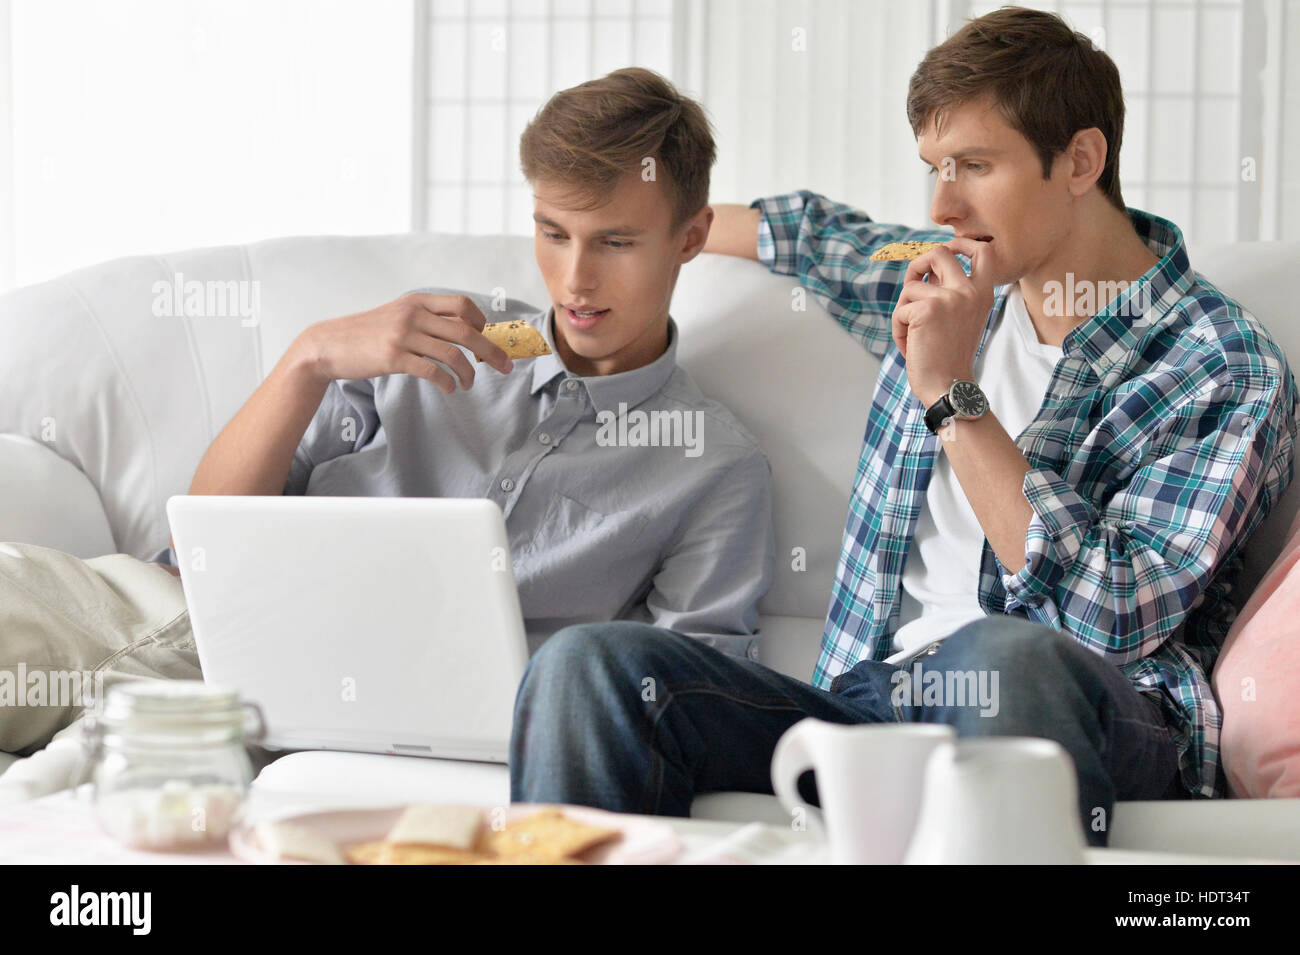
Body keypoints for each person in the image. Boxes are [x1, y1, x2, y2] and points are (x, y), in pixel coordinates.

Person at [509, 7, 1298, 847]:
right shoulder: (947, 275)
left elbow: (1108, 618)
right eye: (934, 166)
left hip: (1079, 705)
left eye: (975, 166)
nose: (943, 203)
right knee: (589, 669)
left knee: (1004, 657)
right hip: (868, 704)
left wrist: (955, 397)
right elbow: (810, 236)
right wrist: (649, 235)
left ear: (1081, 160)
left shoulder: (1221, 365)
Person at [1, 68, 774, 764]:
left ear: (692, 238)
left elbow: (688, 700)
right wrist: (309, 358)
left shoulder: (714, 468)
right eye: (552, 232)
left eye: (616, 241)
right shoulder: (426, 342)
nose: (575, 277)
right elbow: (199, 532)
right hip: (193, 622)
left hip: (394, 724)